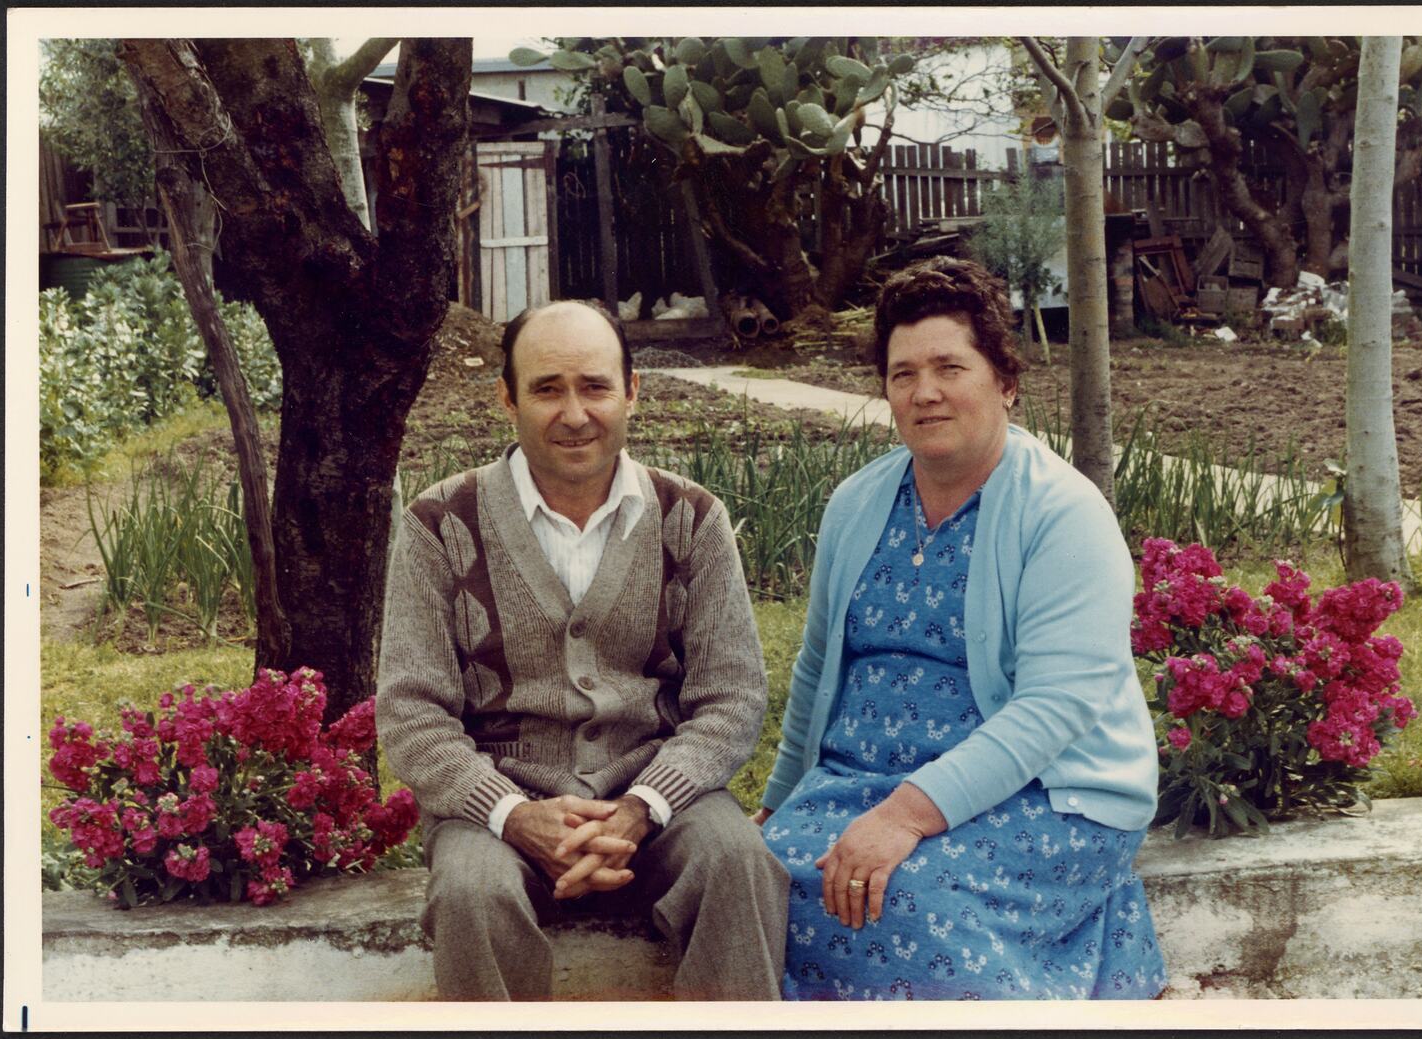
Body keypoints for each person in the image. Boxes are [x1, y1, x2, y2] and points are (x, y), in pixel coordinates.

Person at [754, 258, 1166, 1000]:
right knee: (756, 882)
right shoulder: (855, 503)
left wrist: (907, 818)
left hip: (1043, 797)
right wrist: (782, 800)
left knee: (902, 900)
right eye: (902, 373)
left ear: (1004, 381)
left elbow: (1055, 708)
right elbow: (819, 667)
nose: (925, 392)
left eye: (950, 366)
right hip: (855, 790)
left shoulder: (1062, 514)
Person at [378, 299, 789, 1001]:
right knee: (474, 895)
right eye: (547, 388)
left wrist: (641, 807)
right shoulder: (438, 523)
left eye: (595, 386)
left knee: (738, 863)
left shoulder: (691, 517)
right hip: (496, 807)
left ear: (632, 391)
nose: (574, 413)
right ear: (507, 398)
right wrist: (513, 814)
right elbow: (413, 712)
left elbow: (733, 696)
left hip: (662, 800)